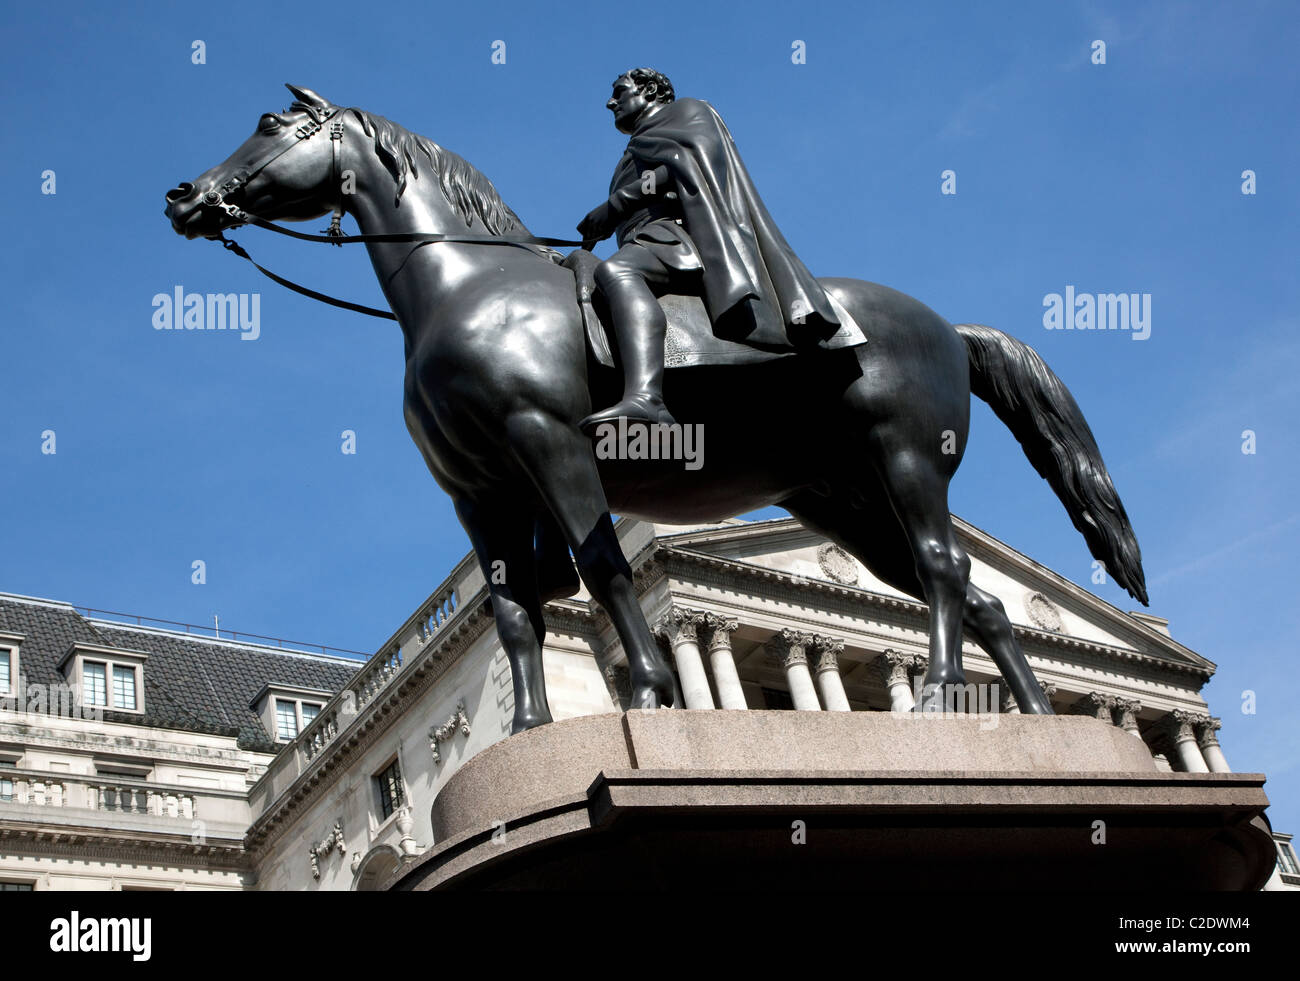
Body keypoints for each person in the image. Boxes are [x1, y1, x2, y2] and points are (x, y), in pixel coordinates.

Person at [576, 68, 845, 434]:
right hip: (649, 238)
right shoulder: (636, 147)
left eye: (620, 93)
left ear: (651, 90)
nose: (611, 103)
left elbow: (689, 168)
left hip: (680, 237)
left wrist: (615, 205)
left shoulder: (687, 112)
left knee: (617, 272)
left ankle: (646, 398)